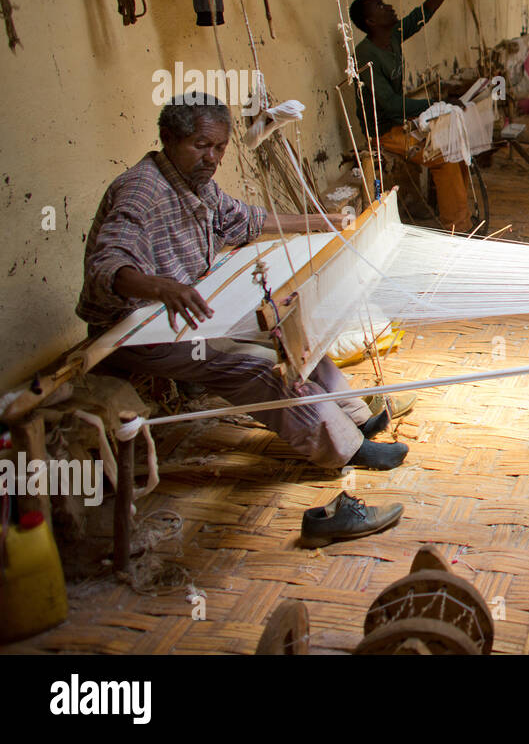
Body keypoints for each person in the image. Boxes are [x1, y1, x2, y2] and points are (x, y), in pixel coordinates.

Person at [77, 95, 410, 493]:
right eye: (201, 145)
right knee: (259, 370)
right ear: (168, 138)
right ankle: (344, 446)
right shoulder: (141, 191)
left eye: (219, 147)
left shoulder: (195, 185)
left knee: (292, 331)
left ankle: (354, 415)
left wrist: (320, 222)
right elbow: (107, 266)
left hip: (190, 307)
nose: (212, 157)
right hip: (139, 327)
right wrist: (163, 288)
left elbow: (248, 220)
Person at [350, 0, 473, 231]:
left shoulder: (391, 36)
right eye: (380, 6)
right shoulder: (365, 55)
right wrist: (437, 102)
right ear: (370, 22)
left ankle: (462, 216)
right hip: (383, 133)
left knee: (456, 146)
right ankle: (457, 228)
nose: (389, 6)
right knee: (444, 159)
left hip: (400, 124)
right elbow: (391, 105)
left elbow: (423, 14)